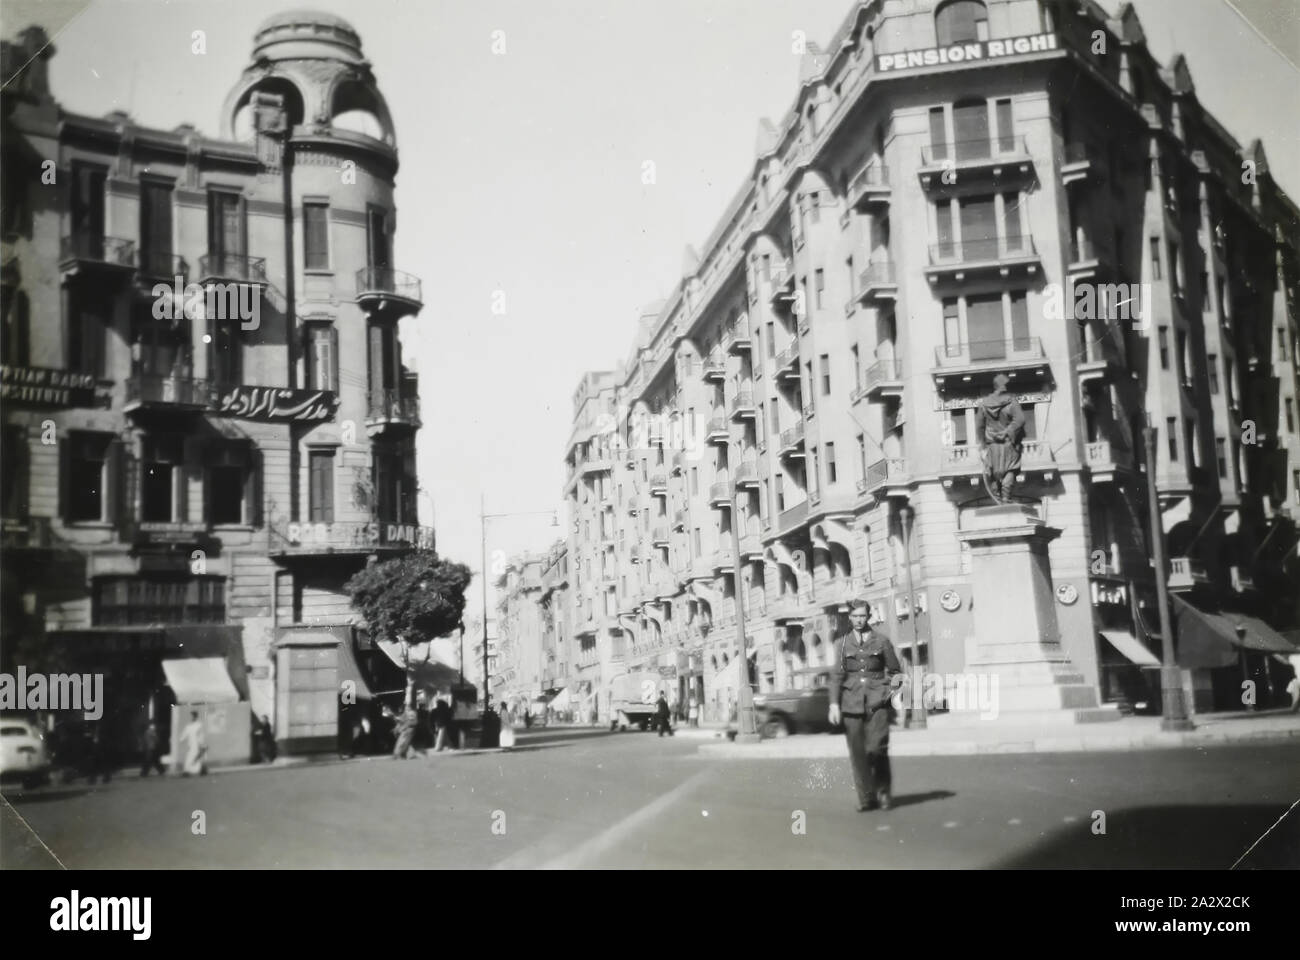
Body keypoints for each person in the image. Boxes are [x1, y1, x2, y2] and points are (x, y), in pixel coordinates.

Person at [828, 600, 905, 811]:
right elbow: (836, 676)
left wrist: (890, 695)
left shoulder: (881, 641)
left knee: (877, 748)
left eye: (862, 616)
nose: (859, 620)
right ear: (849, 618)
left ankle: (883, 792)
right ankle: (867, 799)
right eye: (854, 616)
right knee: (858, 753)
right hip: (851, 703)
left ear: (868, 616)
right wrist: (834, 704)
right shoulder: (841, 644)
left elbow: (896, 672)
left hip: (877, 701)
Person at [975, 373, 1026, 502]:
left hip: (992, 445)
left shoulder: (983, 405)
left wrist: (982, 445)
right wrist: (1008, 431)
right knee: (1011, 469)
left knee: (993, 473)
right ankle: (1005, 497)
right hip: (1009, 444)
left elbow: (979, 427)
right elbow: (1020, 420)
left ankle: (997, 497)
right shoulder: (1011, 402)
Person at [179, 710, 208, 776]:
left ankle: (188, 771)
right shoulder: (189, 726)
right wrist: (181, 739)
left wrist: (201, 743)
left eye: (192, 716)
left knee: (193, 758)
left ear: (195, 716)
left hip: (196, 745)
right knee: (191, 757)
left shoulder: (199, 725)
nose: (191, 717)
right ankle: (194, 770)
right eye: (191, 716)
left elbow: (201, 735)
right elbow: (184, 734)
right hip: (191, 745)